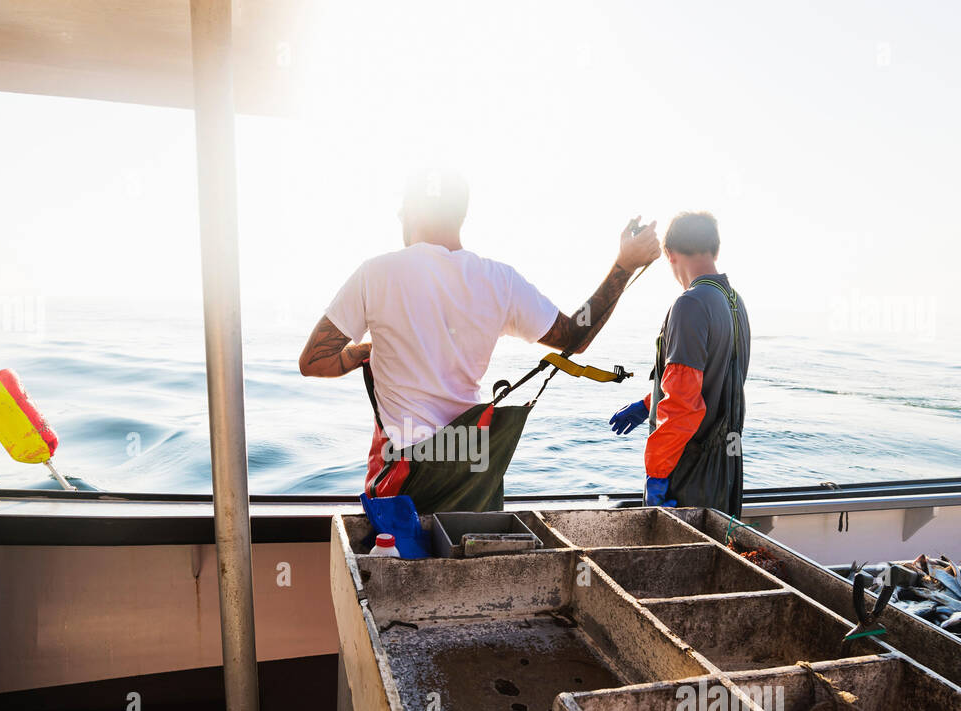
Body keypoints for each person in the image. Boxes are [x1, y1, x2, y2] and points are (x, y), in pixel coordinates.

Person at [299, 169, 662, 514]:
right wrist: (624, 265)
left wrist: (368, 350)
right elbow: (575, 336)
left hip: (404, 481)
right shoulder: (499, 281)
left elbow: (314, 361)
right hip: (472, 470)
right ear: (461, 215)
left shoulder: (375, 274)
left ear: (409, 212)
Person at [607, 211, 751, 513]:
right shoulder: (734, 303)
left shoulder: (691, 304)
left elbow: (685, 402)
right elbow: (710, 381)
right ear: (716, 249)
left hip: (688, 476)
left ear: (669, 254)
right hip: (725, 474)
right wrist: (649, 404)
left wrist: (657, 476)